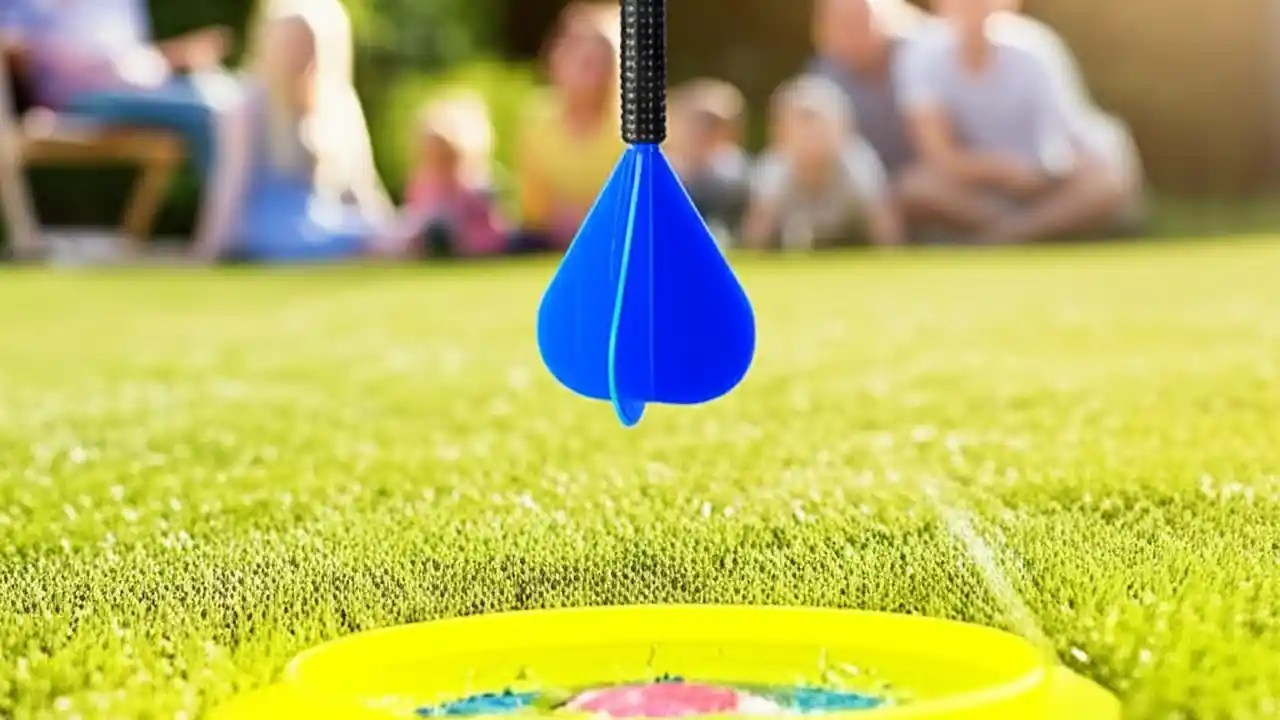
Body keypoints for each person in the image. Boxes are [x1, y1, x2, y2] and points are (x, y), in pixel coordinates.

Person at [0, 0, 246, 258]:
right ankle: (225, 233)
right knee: (205, 113)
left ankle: (240, 224)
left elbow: (135, 56)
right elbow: (13, 45)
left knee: (231, 105)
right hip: (77, 100)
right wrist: (64, 57)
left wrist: (178, 54)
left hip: (142, 90)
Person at [894, 0, 1132, 244]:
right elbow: (939, 155)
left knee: (1105, 182)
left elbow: (1065, 140)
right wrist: (1000, 170)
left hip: (1040, 180)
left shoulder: (1035, 47)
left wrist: (1036, 173)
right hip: (972, 187)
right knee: (916, 187)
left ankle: (1004, 235)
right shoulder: (923, 54)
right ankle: (1023, 231)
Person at [222, 0, 397, 263]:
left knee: (369, 231)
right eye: (289, 44)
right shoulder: (251, 105)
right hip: (270, 227)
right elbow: (232, 185)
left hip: (326, 218)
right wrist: (211, 248)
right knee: (317, 234)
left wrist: (388, 231)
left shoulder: (339, 103)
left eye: (306, 44)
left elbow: (363, 189)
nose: (298, 55)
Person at [743, 75, 904, 250]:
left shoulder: (859, 165)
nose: (810, 136)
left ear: (844, 129)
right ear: (780, 134)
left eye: (818, 126)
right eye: (801, 126)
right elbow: (755, 238)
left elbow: (885, 231)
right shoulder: (773, 171)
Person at [515, 2, 624, 252]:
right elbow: (532, 202)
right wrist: (559, 218)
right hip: (546, 236)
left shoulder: (629, 131)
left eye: (592, 63)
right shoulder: (537, 120)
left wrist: (587, 218)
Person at [808, 0, 925, 178]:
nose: (851, 33)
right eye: (841, 24)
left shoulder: (920, 56)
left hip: (929, 172)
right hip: (867, 182)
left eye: (859, 21)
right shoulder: (823, 80)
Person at [401, 94, 507, 258]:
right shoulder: (422, 187)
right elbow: (413, 220)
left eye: (447, 159)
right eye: (434, 160)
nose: (440, 169)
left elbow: (494, 236)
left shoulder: (476, 193)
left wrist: (463, 241)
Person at [665, 78, 751, 244]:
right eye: (694, 122)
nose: (701, 132)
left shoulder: (736, 174)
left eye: (713, 124)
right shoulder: (652, 173)